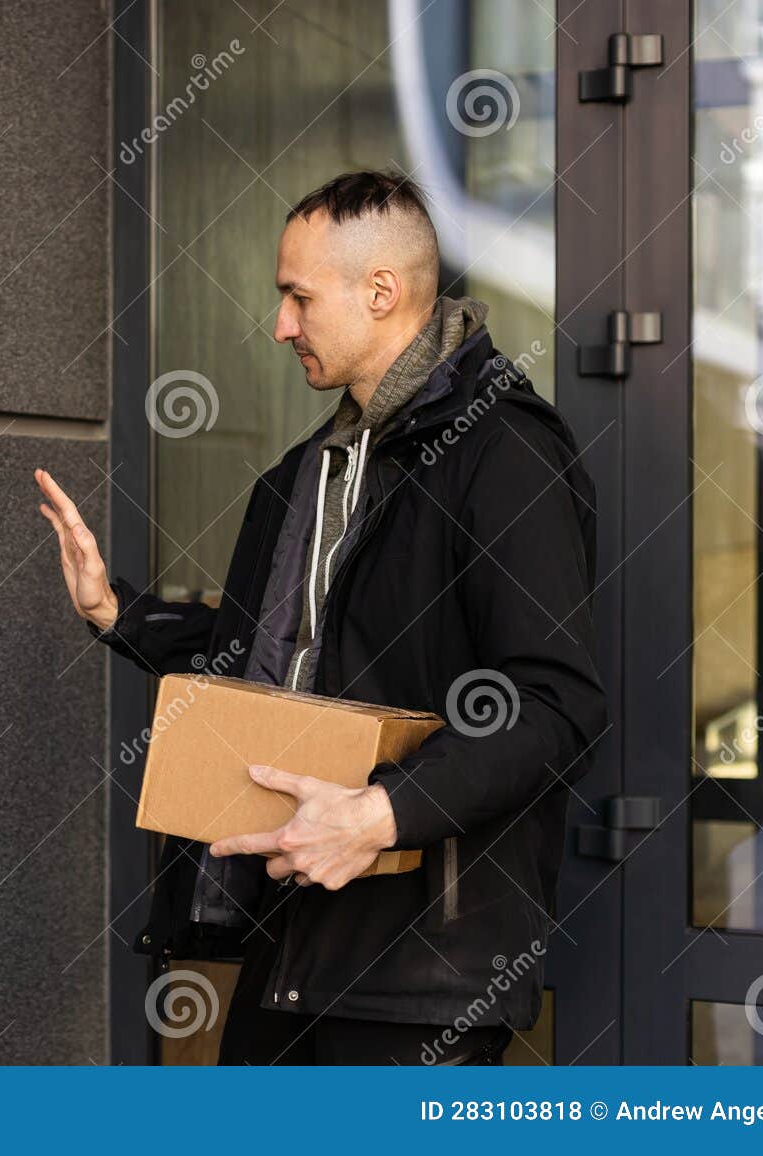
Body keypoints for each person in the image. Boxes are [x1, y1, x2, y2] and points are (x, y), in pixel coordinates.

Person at [34, 170, 607, 1066]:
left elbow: (556, 703)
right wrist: (118, 612)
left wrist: (382, 813)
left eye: (298, 297)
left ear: (382, 292)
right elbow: (275, 652)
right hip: (290, 942)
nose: (280, 326)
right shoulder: (309, 475)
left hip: (423, 979)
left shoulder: (506, 456)